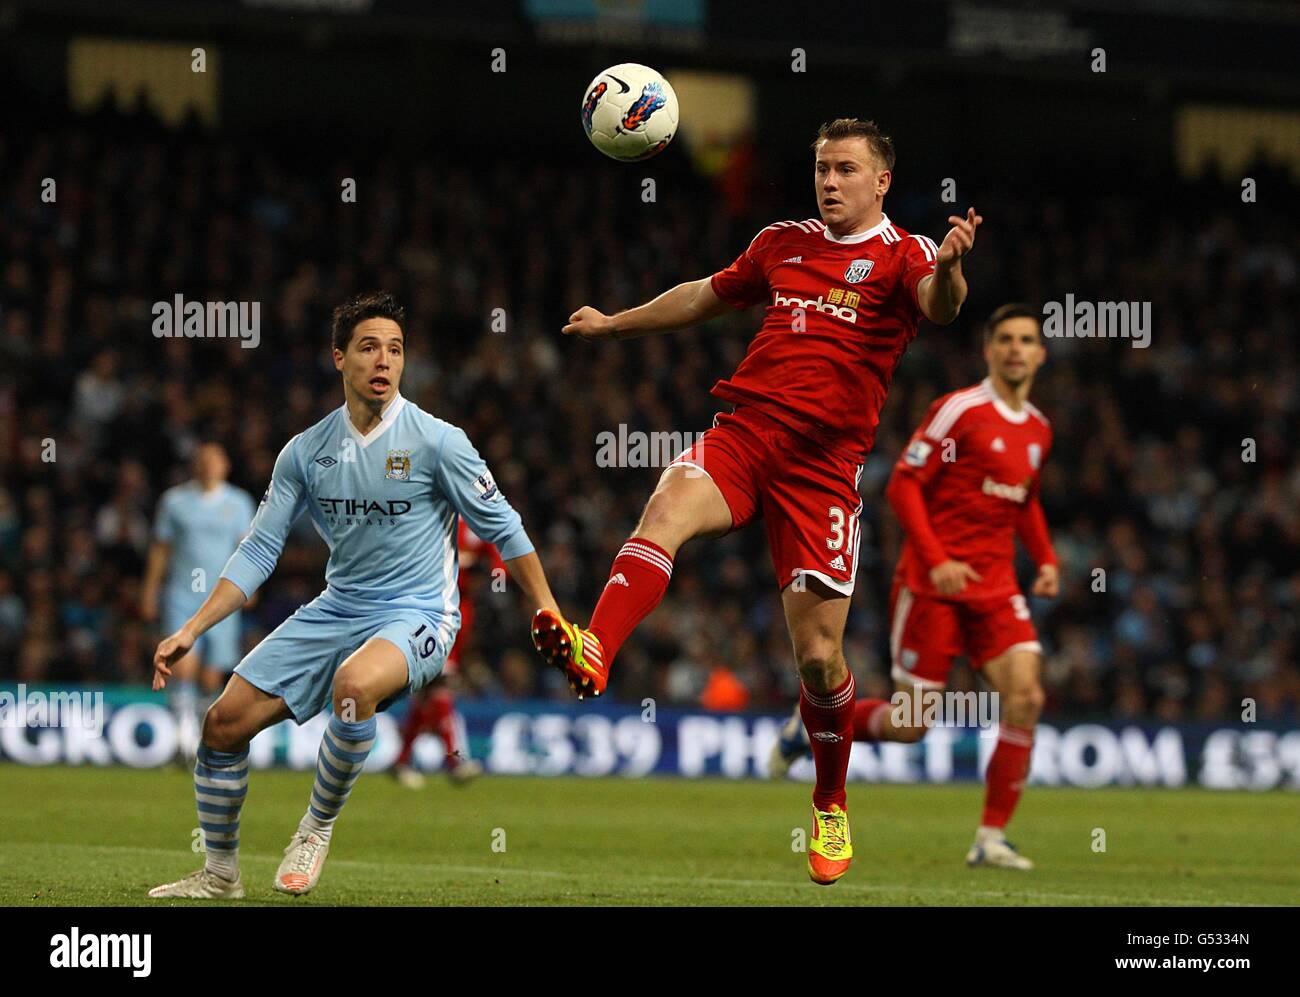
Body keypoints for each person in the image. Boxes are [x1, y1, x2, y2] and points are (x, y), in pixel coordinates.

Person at [532, 118, 982, 885]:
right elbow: (706, 295)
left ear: (880, 182)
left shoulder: (905, 254)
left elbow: (939, 304)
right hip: (747, 434)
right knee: (664, 509)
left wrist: (951, 267)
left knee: (818, 658)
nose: (829, 181)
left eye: (845, 169)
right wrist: (617, 324)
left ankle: (830, 801)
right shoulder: (782, 241)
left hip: (823, 468)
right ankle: (596, 649)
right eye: (820, 168)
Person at [147, 292, 561, 899]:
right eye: (369, 347)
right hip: (339, 606)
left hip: (419, 613)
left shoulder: (438, 442)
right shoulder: (306, 452)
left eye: (395, 349)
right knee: (222, 724)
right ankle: (219, 875)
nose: (383, 361)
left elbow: (505, 526)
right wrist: (192, 628)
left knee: (354, 685)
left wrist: (547, 606)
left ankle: (315, 828)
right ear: (338, 358)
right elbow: (261, 550)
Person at [771, 304, 1057, 870]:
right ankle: (814, 726)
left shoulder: (1039, 430)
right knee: (910, 726)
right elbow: (903, 485)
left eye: (1027, 339)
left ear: (1041, 353)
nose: (1017, 349)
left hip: (998, 586)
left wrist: (1045, 558)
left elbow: (1024, 501)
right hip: (931, 585)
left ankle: (990, 838)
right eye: (1006, 339)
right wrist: (939, 560)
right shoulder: (959, 411)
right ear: (989, 349)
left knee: (1026, 697)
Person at [141, 443, 256, 763]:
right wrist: (150, 591)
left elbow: (247, 547)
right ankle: (182, 741)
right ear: (195, 465)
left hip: (221, 597)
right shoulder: (175, 502)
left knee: (211, 675)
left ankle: (205, 737)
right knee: (182, 667)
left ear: (226, 466)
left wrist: (250, 585)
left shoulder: (239, 502)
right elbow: (161, 549)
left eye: (213, 460)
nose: (207, 466)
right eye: (202, 460)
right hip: (181, 594)